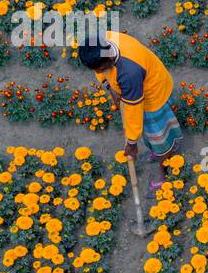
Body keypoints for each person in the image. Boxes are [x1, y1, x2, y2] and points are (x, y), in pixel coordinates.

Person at [78, 26, 182, 189]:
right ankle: (158, 150)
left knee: (160, 138)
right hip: (143, 81)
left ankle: (165, 172)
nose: (98, 72)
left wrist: (132, 143)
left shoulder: (129, 72)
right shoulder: (101, 43)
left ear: (108, 61)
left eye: (101, 69)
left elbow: (134, 111)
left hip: (153, 96)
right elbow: (101, 72)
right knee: (151, 135)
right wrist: (109, 86)